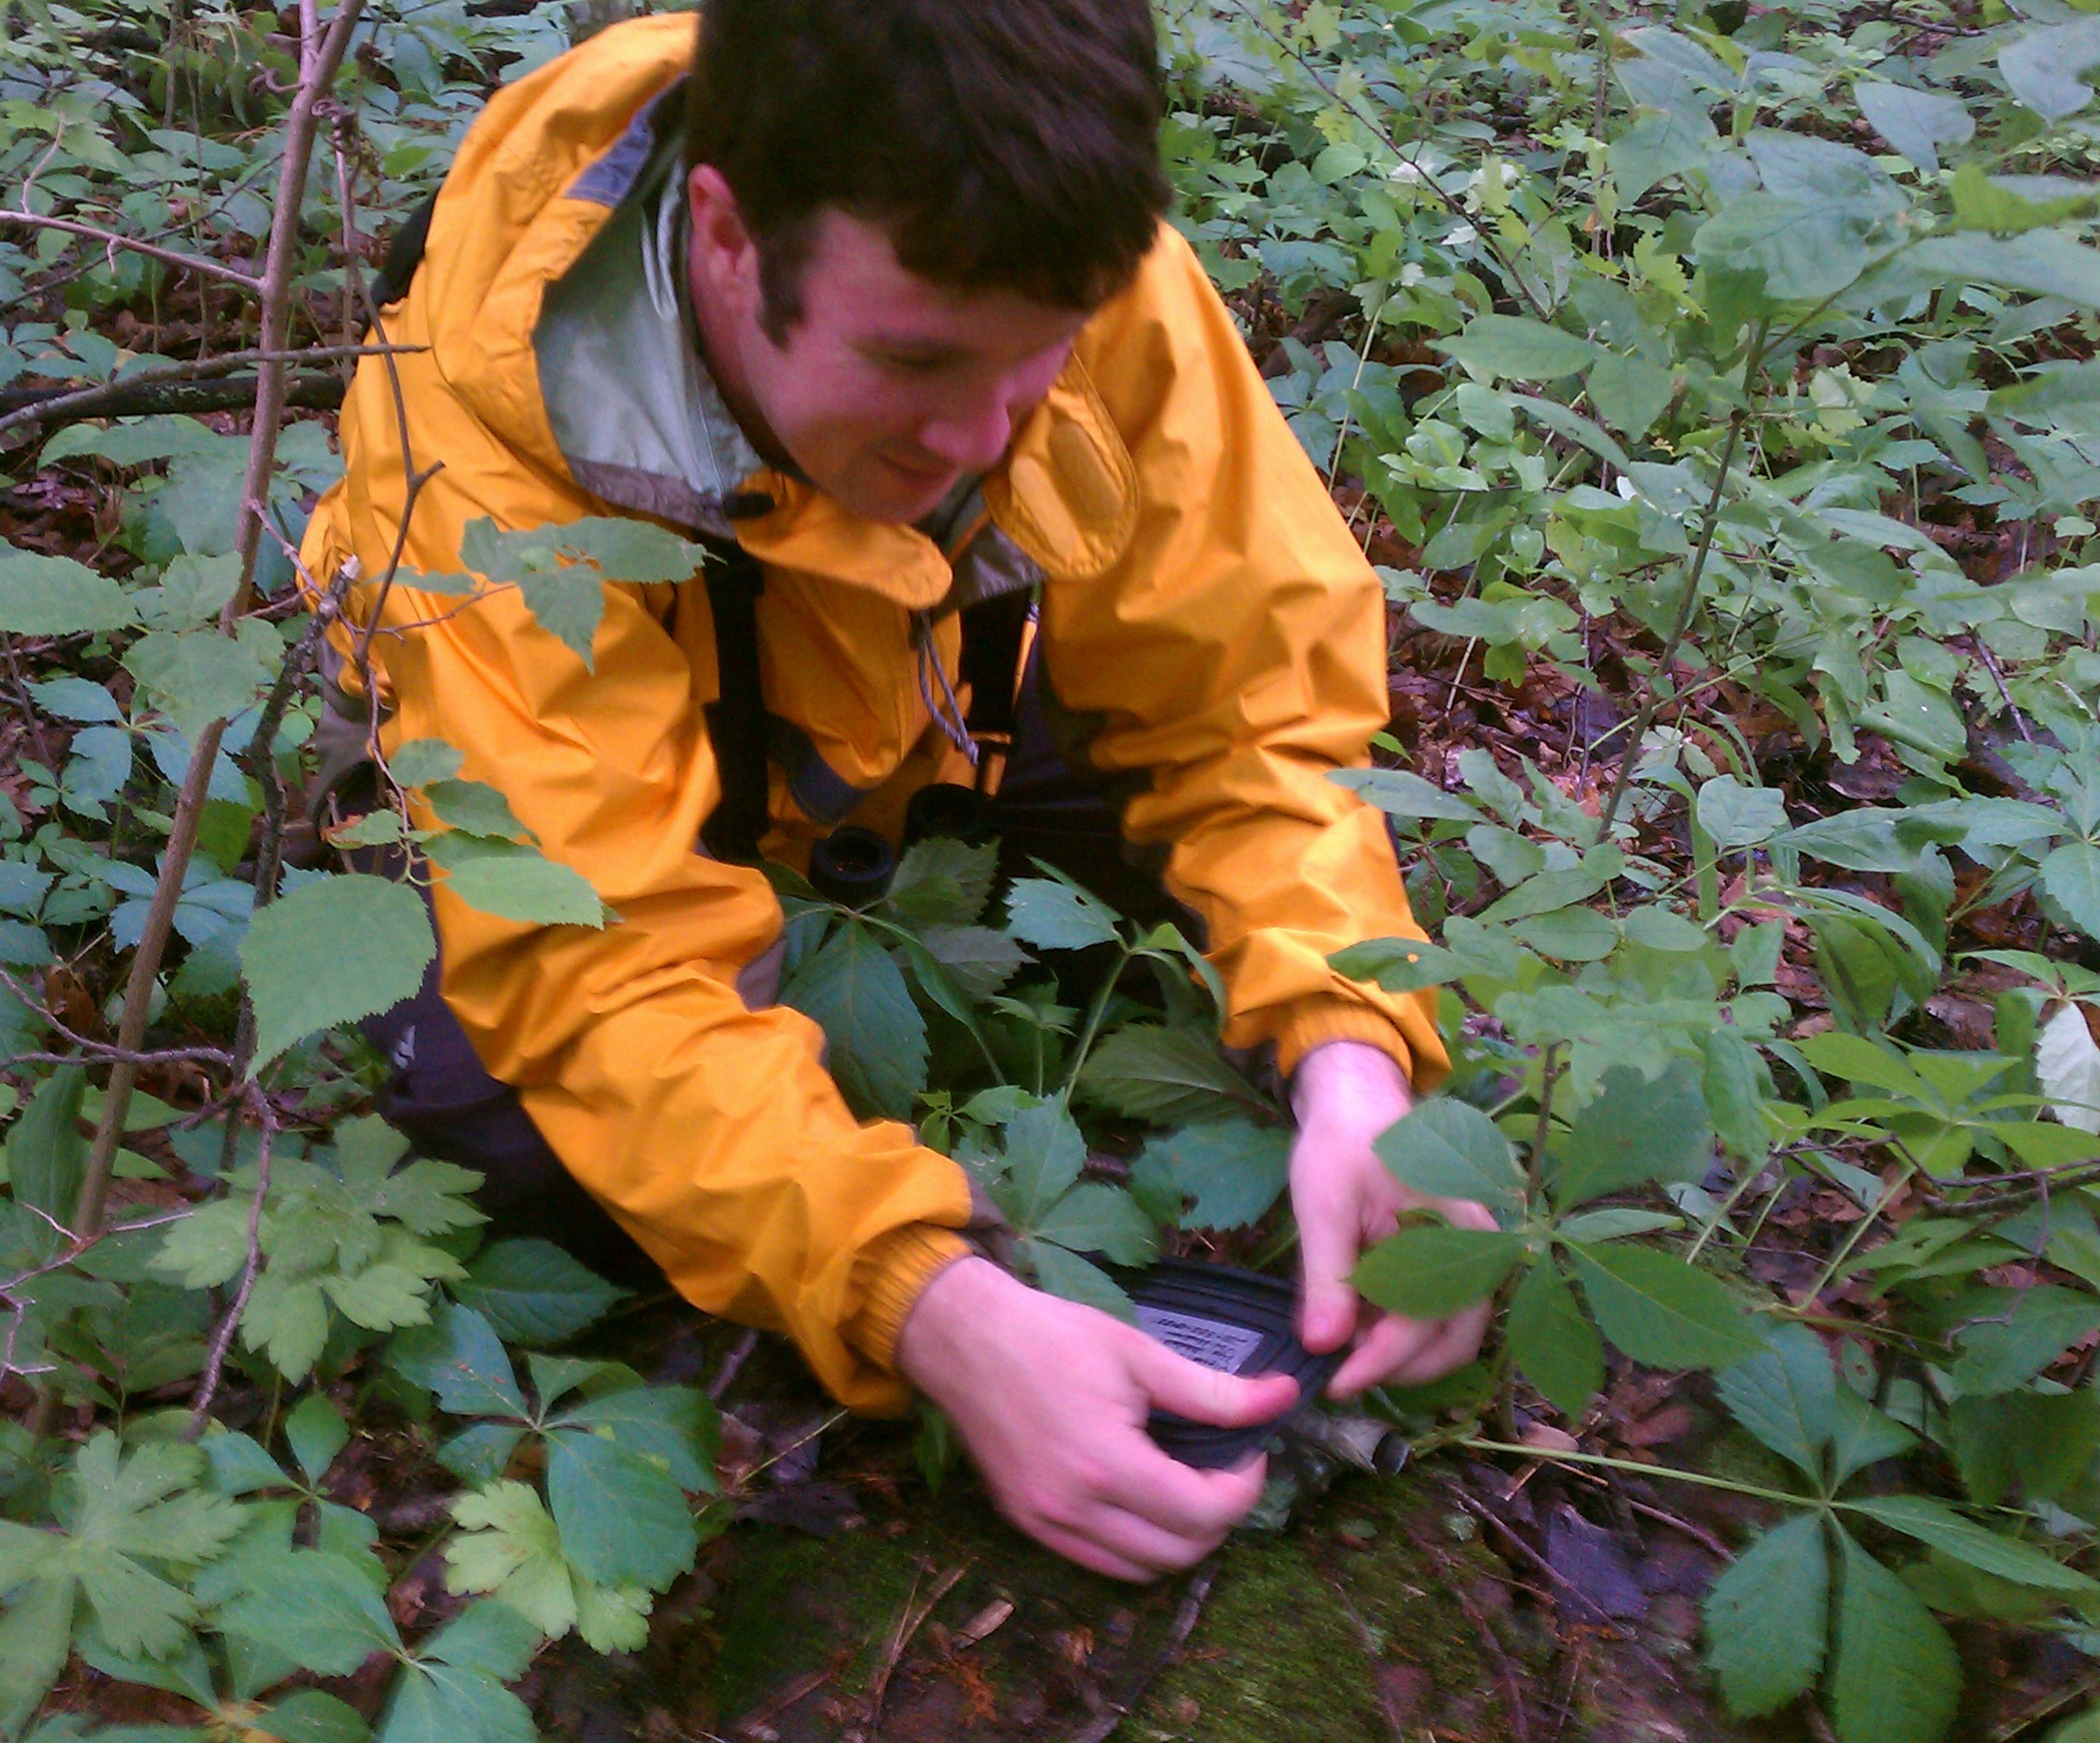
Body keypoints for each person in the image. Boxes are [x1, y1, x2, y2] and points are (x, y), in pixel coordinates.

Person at [296, 0, 1493, 1583]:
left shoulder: (1071, 248)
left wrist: (1353, 1056)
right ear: (724, 234)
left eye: (1036, 357)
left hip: (917, 708)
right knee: (498, 1126)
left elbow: (1252, 706)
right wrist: (925, 1300)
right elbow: (604, 967)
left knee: (1193, 896)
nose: (981, 429)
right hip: (609, 763)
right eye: (916, 356)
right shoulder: (475, 421)